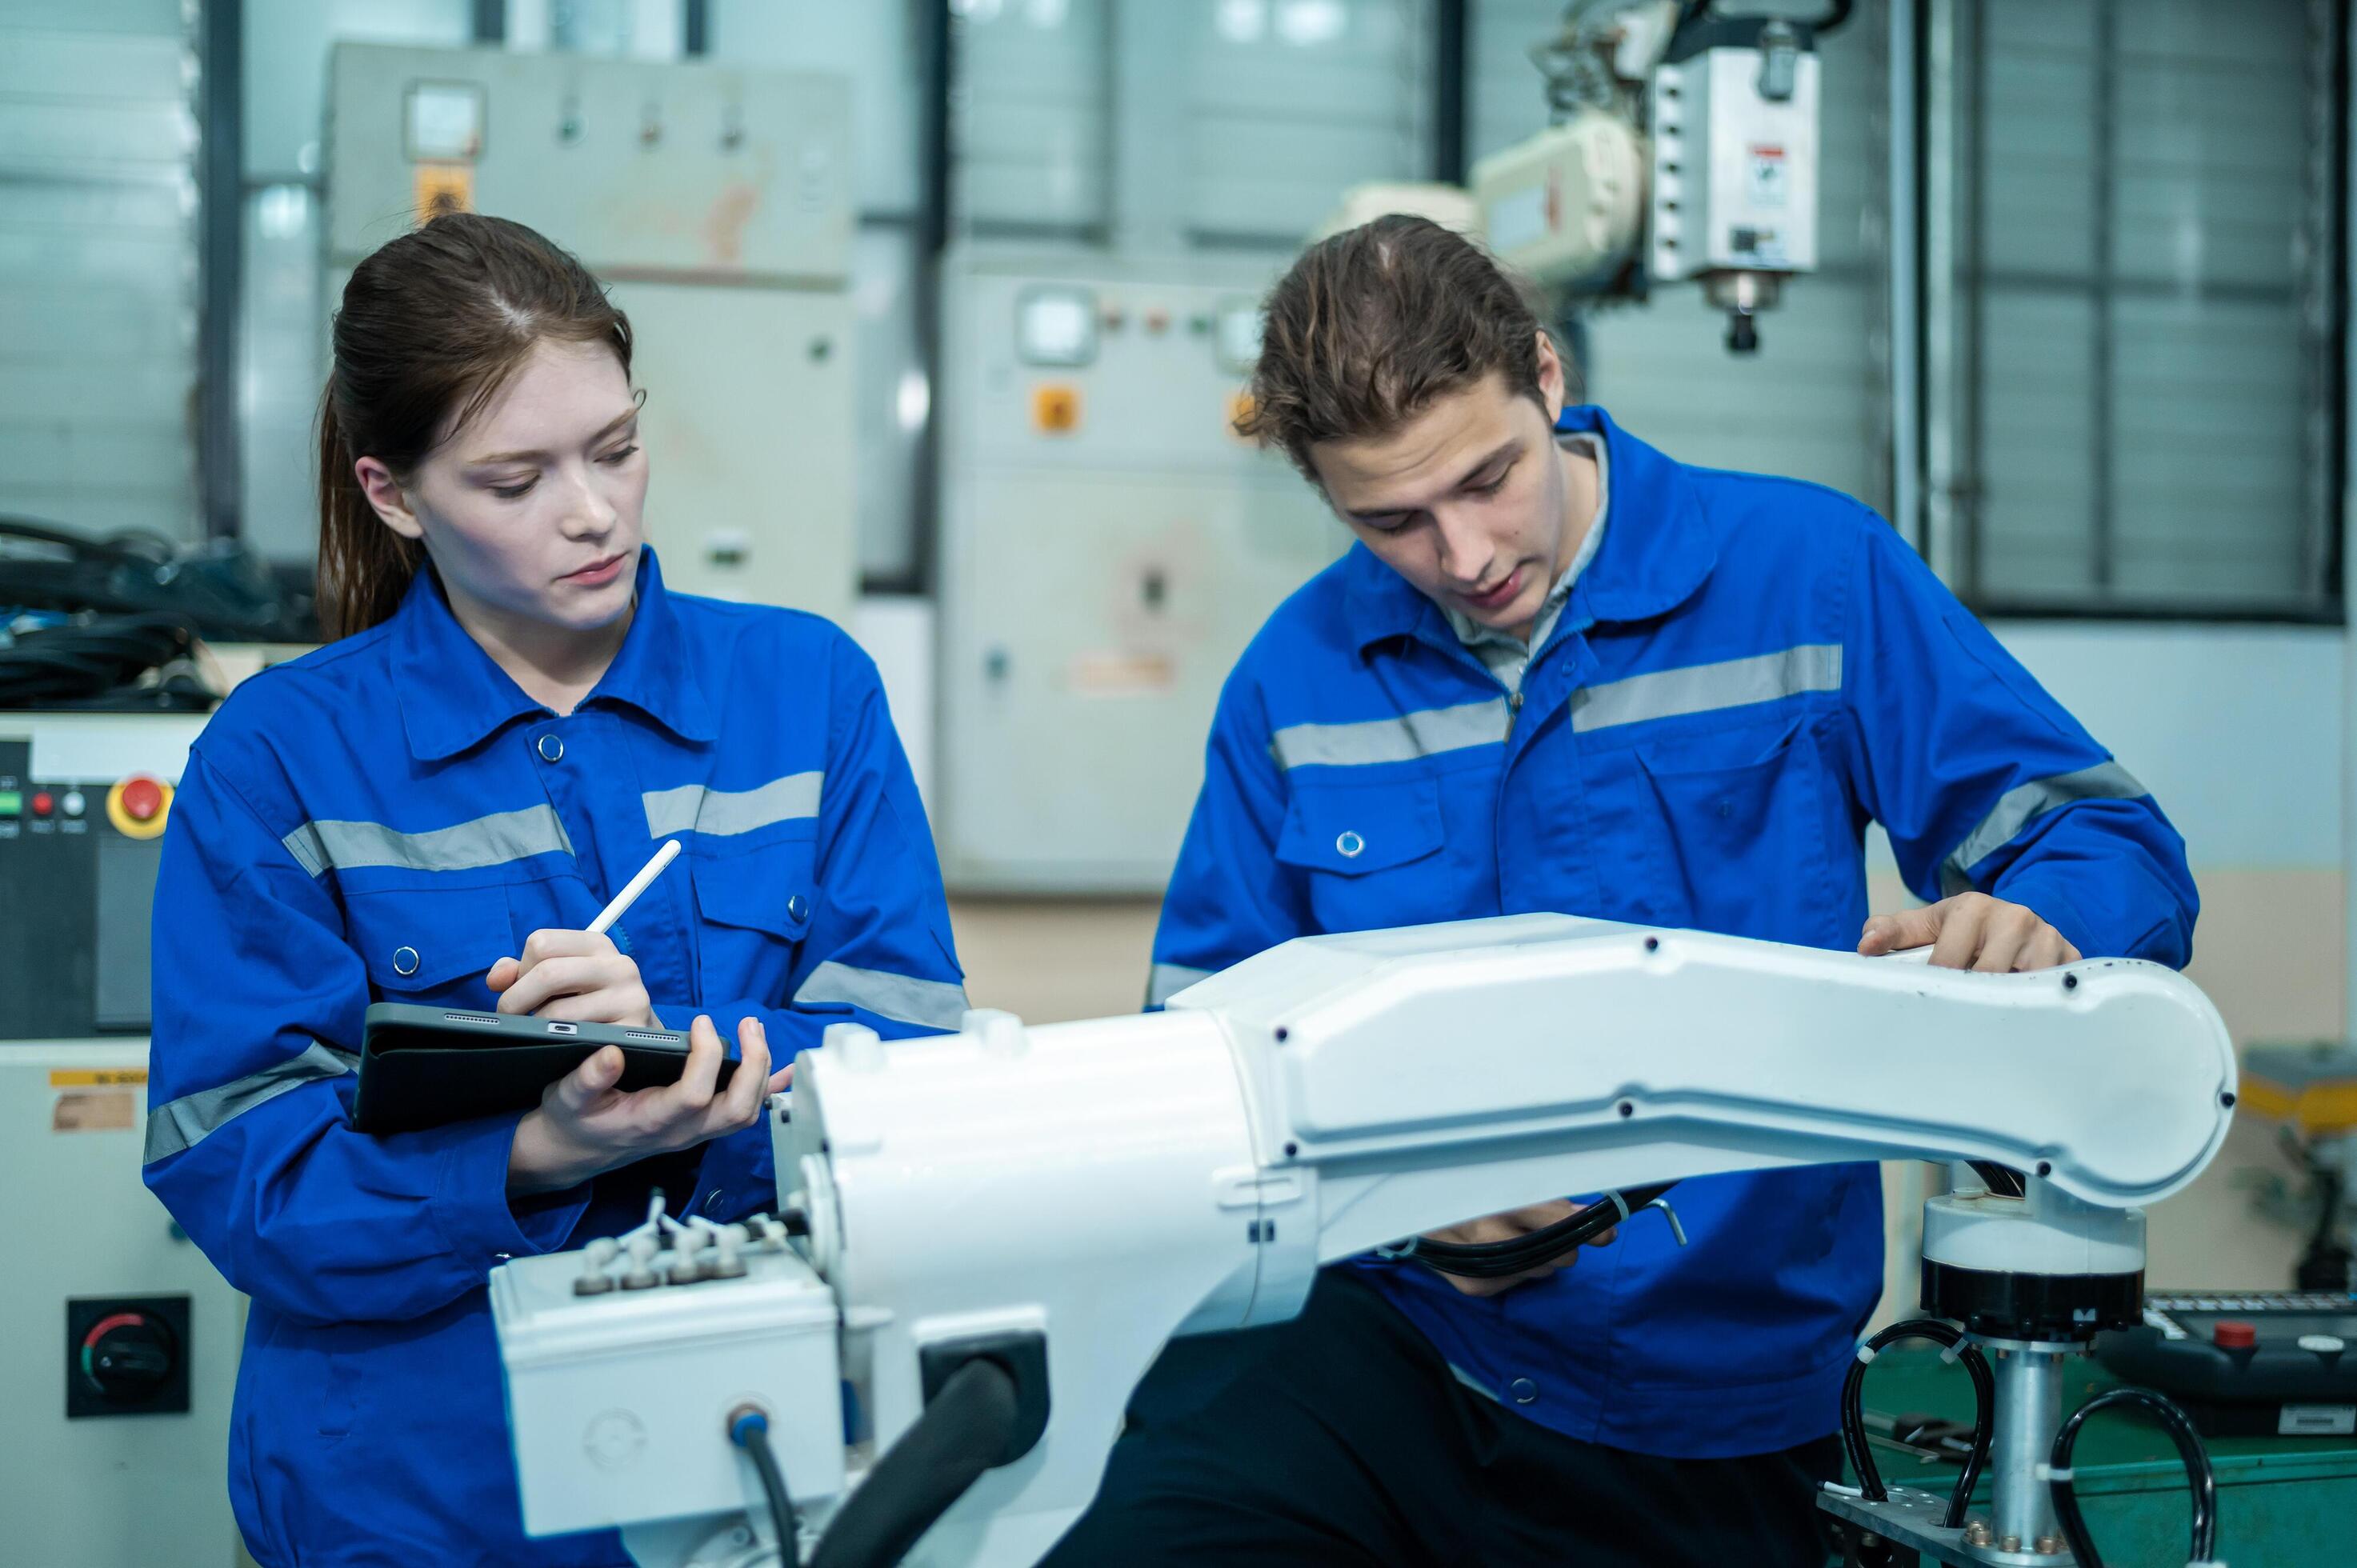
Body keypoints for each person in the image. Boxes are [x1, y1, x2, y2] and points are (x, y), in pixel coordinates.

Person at [1047, 216, 2198, 1566]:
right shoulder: (1293, 679)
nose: (1465, 555)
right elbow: (1202, 1049)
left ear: (1543, 375)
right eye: (1391, 521)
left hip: (1715, 1393)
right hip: (1381, 1338)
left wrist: (2042, 926)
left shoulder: (1807, 574)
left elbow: (2111, 840)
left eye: (1489, 479)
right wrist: (1405, 1196)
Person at [142, 213, 966, 1567]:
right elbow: (238, 1168)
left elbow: (914, 1069)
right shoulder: (280, 760)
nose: (592, 512)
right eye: (513, 480)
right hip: (424, 1494)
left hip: (759, 1455)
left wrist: (689, 1086)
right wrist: (539, 1155)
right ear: (392, 494)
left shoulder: (805, 694)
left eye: (617, 449)